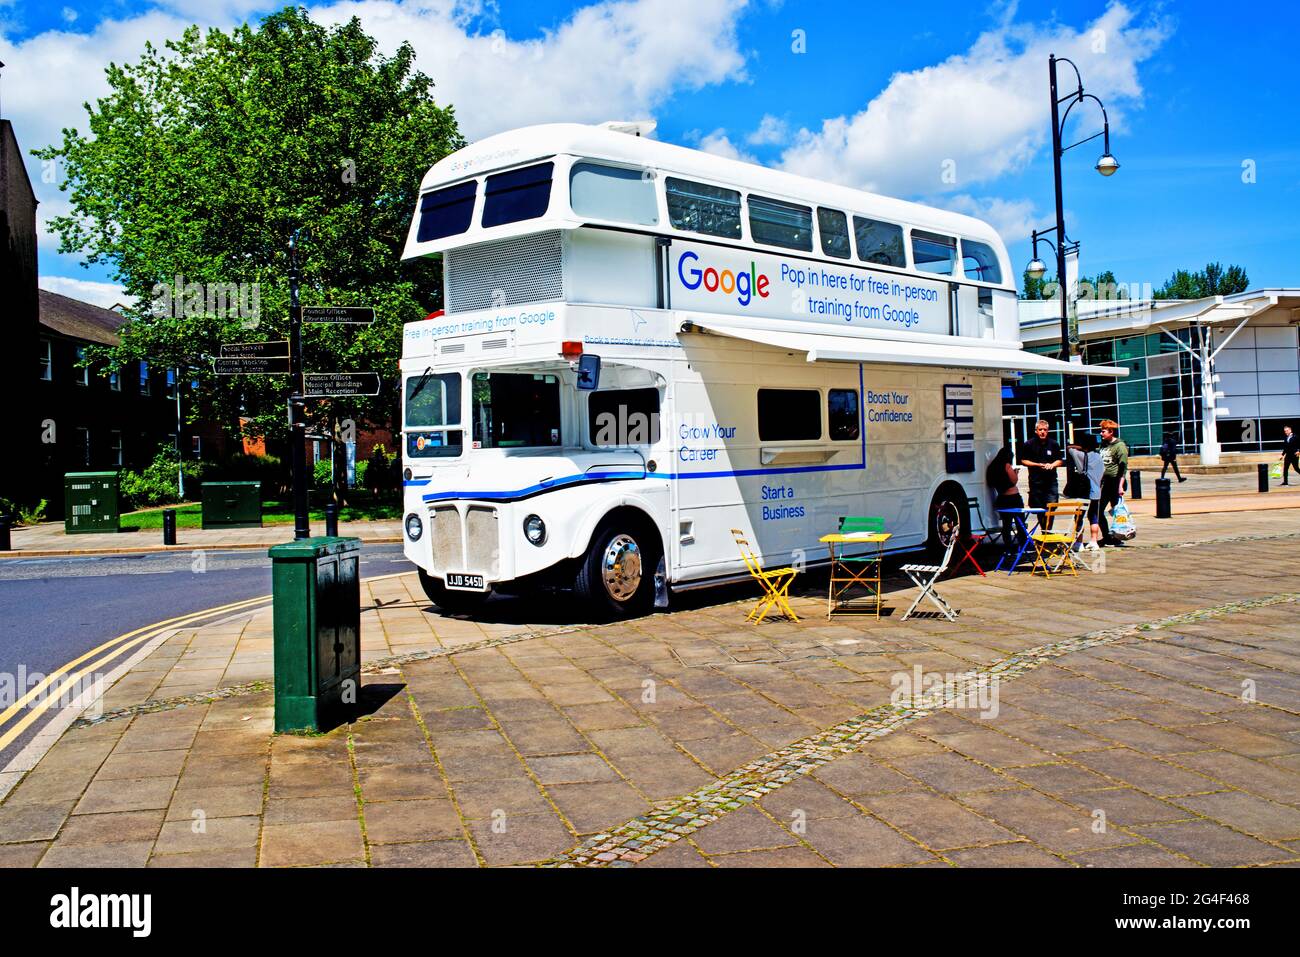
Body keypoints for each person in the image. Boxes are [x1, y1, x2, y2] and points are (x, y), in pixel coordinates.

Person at [1019, 419, 1064, 526]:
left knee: (1051, 506)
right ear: (1036, 431)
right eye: (1040, 430)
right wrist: (1038, 464)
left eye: (1045, 430)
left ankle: (1048, 531)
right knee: (1039, 508)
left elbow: (1060, 460)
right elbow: (1023, 460)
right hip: (1036, 482)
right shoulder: (1029, 444)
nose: (1043, 432)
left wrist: (1052, 465)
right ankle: (1044, 530)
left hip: (1051, 482)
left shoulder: (1053, 444)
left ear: (1048, 431)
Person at [986, 446, 1025, 552]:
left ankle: (1007, 546)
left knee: (1006, 525)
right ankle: (1023, 545)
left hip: (1002, 499)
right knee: (1020, 522)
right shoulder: (1007, 465)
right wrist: (1015, 473)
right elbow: (1013, 481)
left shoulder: (992, 467)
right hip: (1014, 498)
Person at [1097, 419, 1129, 546]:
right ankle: (1107, 536)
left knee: (1117, 511)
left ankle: (1118, 536)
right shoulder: (1104, 445)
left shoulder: (1119, 446)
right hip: (1105, 482)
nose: (1101, 433)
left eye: (1103, 431)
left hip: (1115, 481)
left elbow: (1123, 468)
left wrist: (1120, 486)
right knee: (1099, 511)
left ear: (1111, 432)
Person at [1075, 433, 1104, 551]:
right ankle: (1094, 540)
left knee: (1079, 517)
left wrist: (1078, 447)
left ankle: (1079, 542)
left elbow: (1069, 449)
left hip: (1084, 492)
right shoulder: (1099, 457)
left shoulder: (1081, 455)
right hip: (1097, 491)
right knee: (1093, 517)